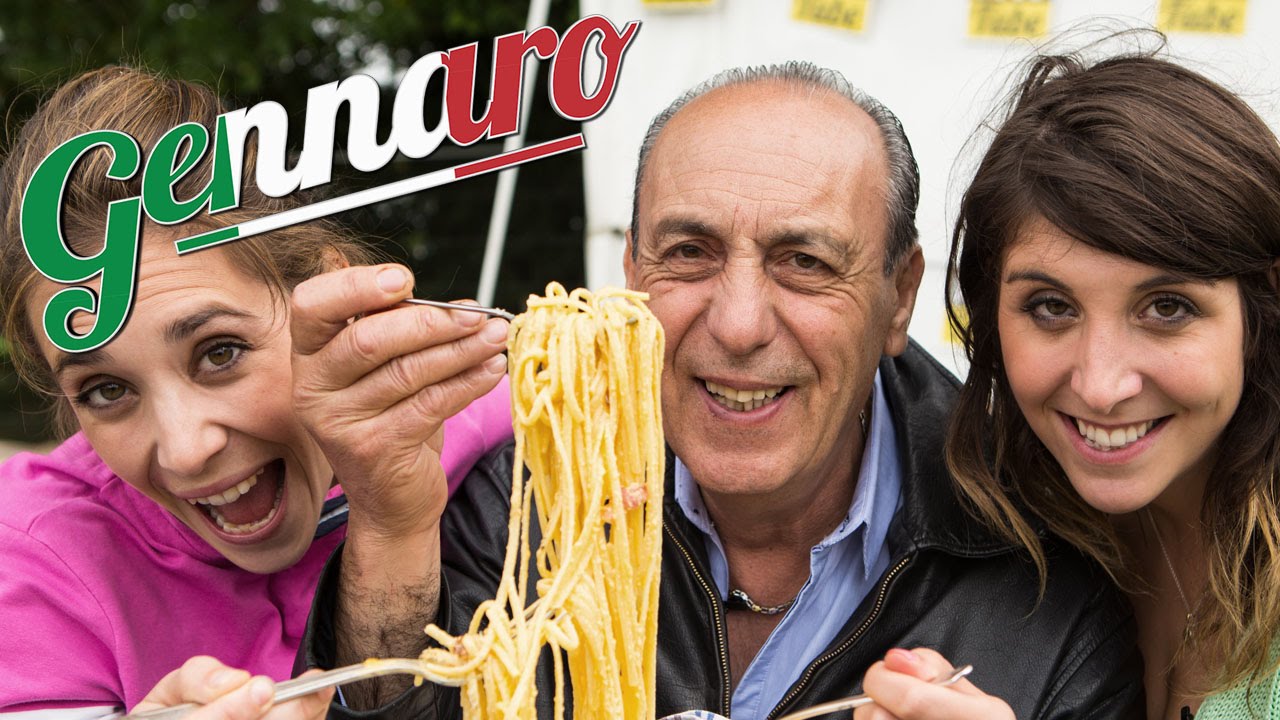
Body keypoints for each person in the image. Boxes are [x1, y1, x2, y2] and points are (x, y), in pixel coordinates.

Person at [296, 61, 1145, 719]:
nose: (738, 324)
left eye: (805, 262)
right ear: (629, 273)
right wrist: (392, 522)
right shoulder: (526, 510)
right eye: (689, 253)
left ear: (900, 296)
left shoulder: (1048, 583)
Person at [0, 67, 514, 718]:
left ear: (332, 297)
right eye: (106, 390)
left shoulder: (500, 413)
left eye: (220, 353)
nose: (186, 451)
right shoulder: (32, 564)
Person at [860, 49, 1280, 720]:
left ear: (1261, 314)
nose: (1103, 385)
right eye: (1052, 308)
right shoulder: (1004, 538)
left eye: (1167, 308)